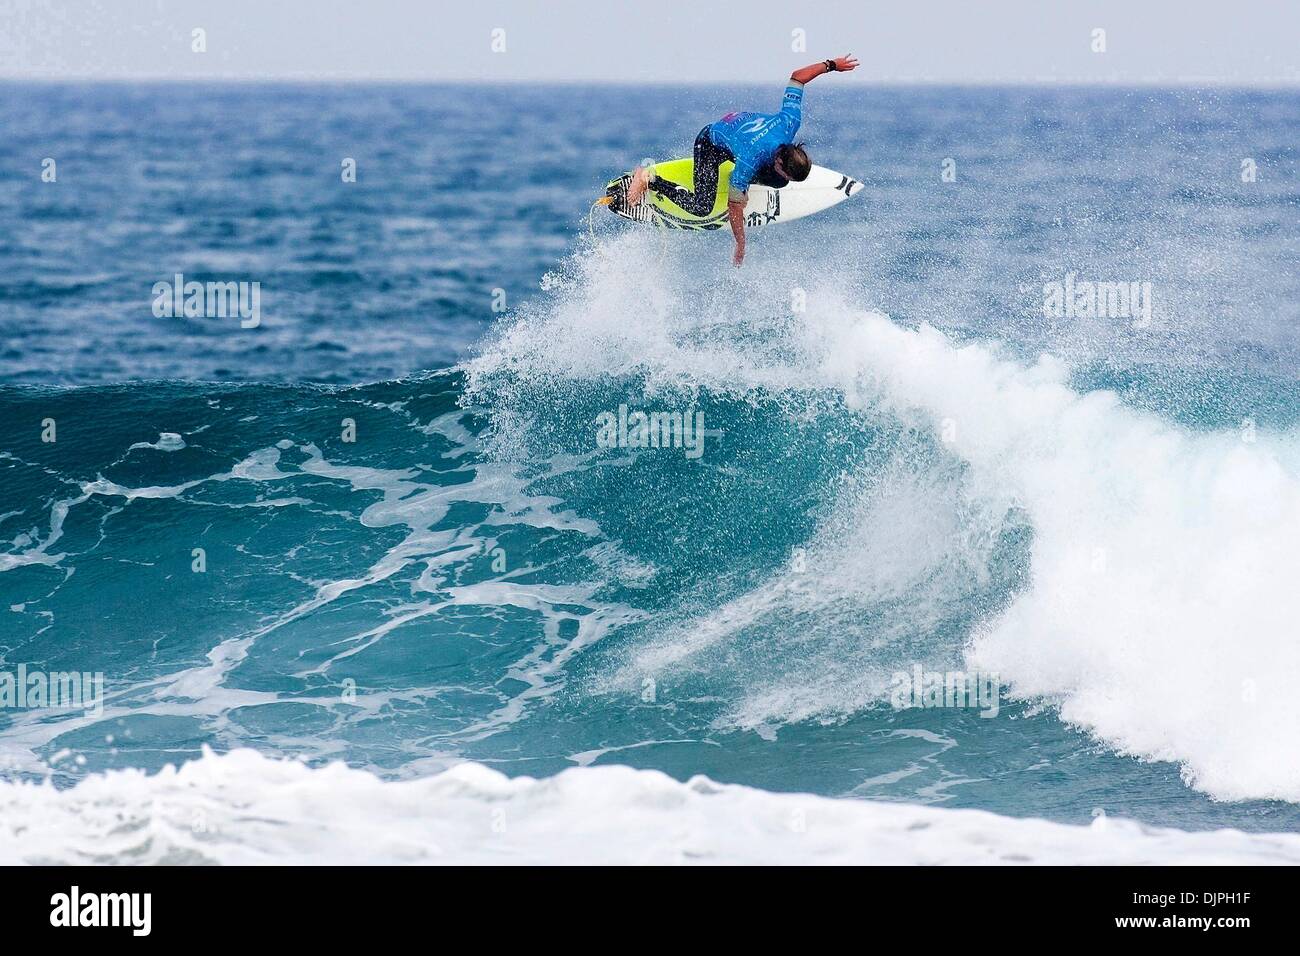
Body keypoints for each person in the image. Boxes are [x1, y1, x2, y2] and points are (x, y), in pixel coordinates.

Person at [626, 54, 858, 265]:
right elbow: (734, 207)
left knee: (780, 182)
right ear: (779, 163)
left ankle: (739, 174)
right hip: (711, 142)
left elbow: (797, 78)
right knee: (701, 207)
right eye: (788, 173)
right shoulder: (750, 160)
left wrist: (832, 65)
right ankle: (649, 178)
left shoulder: (790, 122)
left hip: (736, 129)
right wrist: (740, 243)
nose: (788, 178)